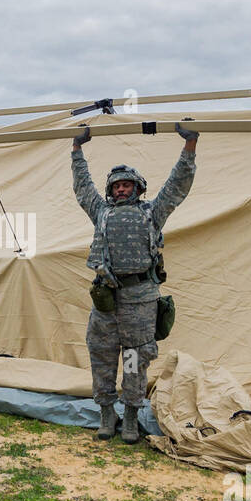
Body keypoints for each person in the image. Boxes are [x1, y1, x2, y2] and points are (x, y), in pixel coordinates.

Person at [71, 122, 198, 444]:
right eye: (116, 186)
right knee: (101, 355)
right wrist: (77, 149)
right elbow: (82, 186)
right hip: (106, 299)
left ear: (138, 189)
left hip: (141, 300)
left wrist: (190, 145)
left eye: (127, 185)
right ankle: (105, 413)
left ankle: (129, 416)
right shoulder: (100, 212)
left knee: (134, 360)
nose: (121, 189)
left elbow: (177, 185)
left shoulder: (152, 213)